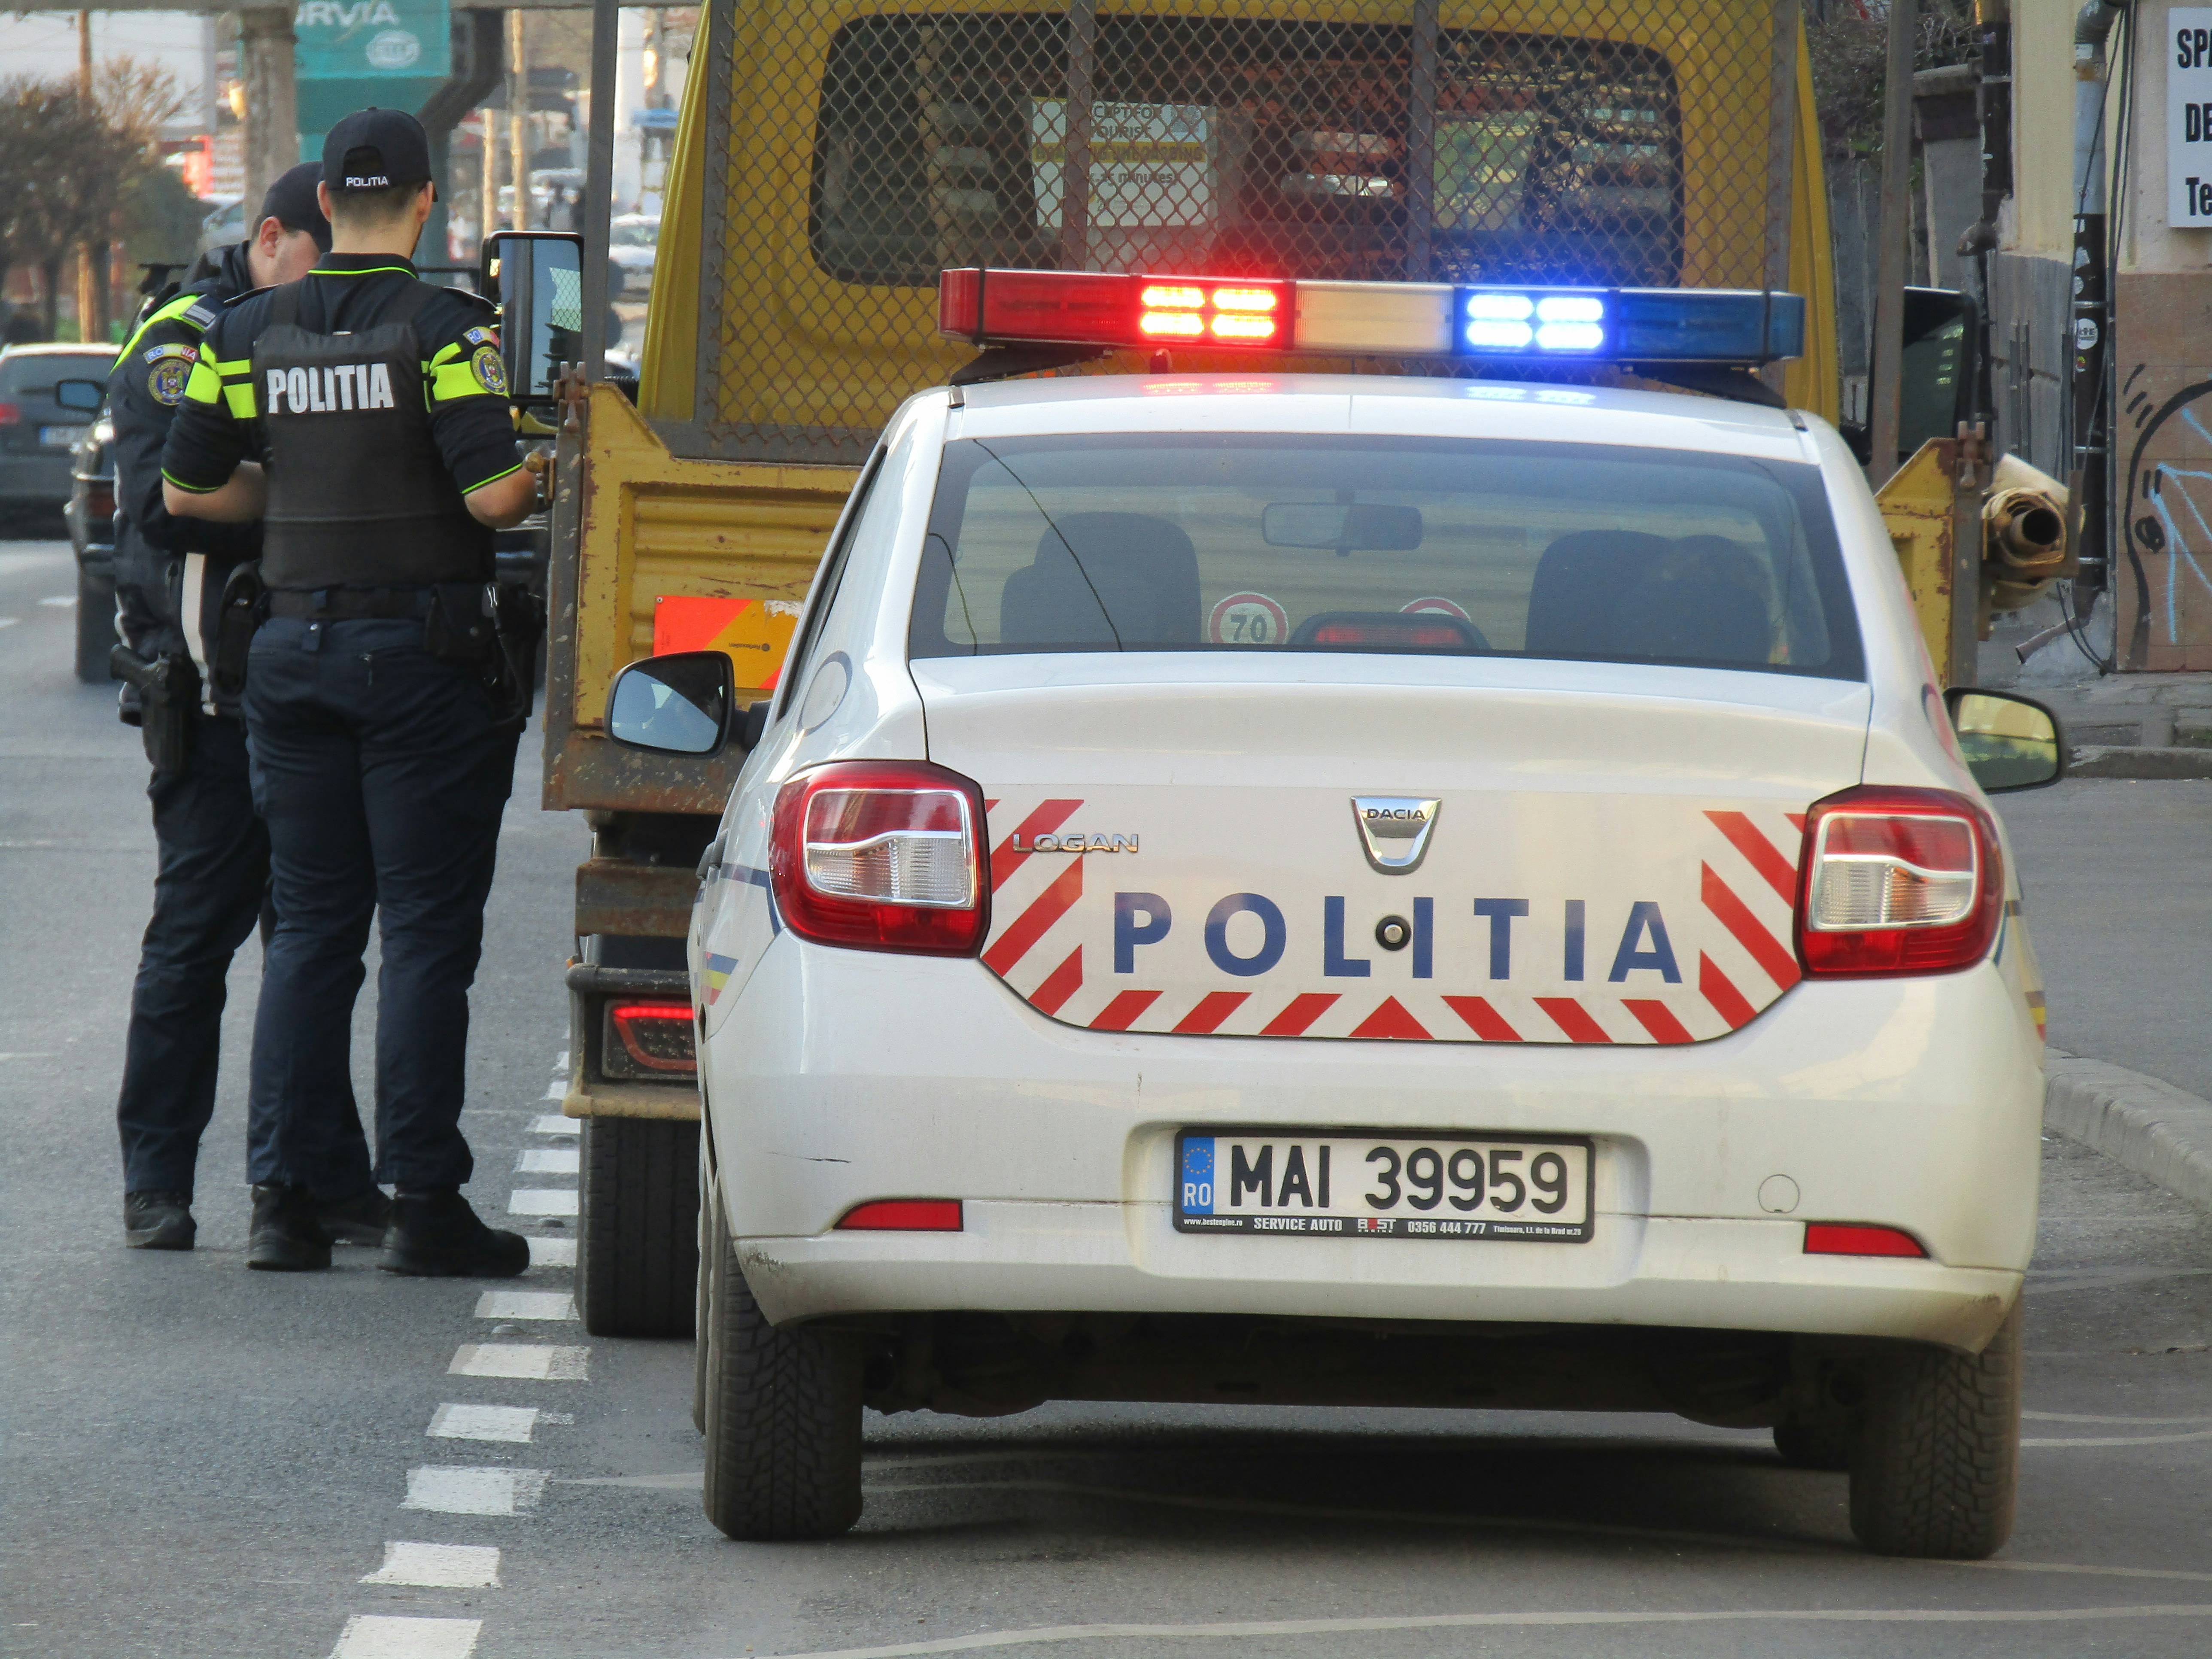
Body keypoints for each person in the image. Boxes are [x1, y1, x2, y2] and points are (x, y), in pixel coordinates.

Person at [160, 109, 542, 1276]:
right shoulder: (444, 331)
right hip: (418, 659)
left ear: (324, 205)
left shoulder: (246, 329)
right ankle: (424, 1200)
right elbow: (495, 503)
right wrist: (537, 464)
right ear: (426, 205)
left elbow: (187, 492)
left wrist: (299, 507)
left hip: (287, 656)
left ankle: (283, 1202)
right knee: (424, 934)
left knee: (313, 932)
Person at [110, 162, 389, 1260]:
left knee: (314, 949)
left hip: (312, 686)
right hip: (219, 700)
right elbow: (167, 510)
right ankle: (156, 1181)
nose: (341, 290)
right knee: (194, 942)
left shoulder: (328, 335)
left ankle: (324, 1178)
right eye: (326, 260)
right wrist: (323, 480)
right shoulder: (188, 340)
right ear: (271, 240)